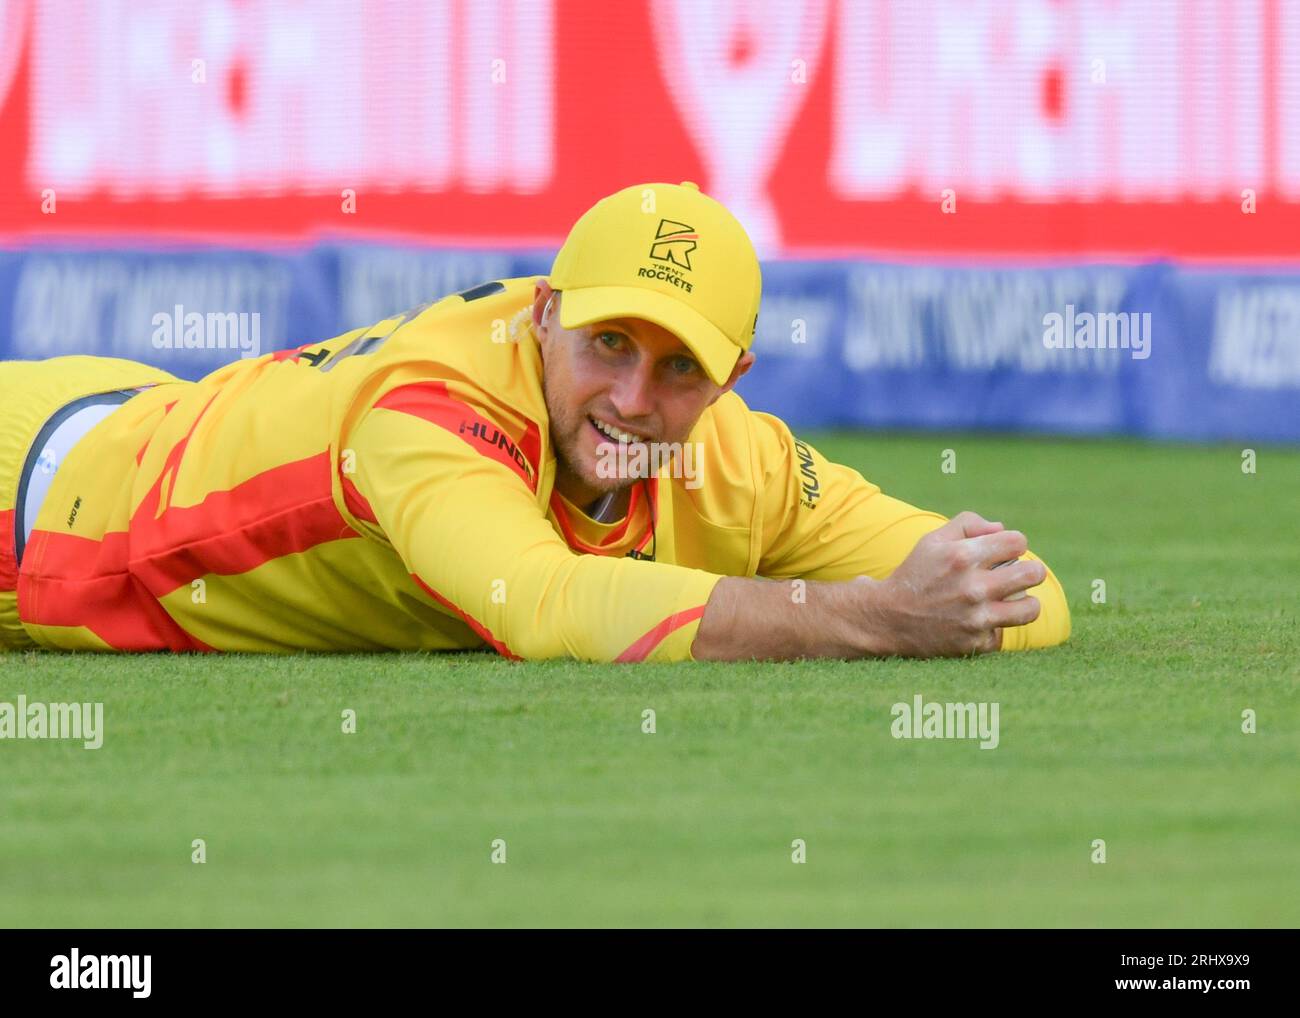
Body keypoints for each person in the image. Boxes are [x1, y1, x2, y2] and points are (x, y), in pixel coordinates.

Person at [0, 181, 1069, 660]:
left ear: (732, 376)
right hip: (44, 509)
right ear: (547, 313)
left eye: (679, 367)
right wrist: (881, 616)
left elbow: (1033, 597)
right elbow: (546, 605)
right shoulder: (428, 410)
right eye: (608, 344)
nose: (633, 400)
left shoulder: (739, 457)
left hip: (143, 409)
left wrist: (954, 597)